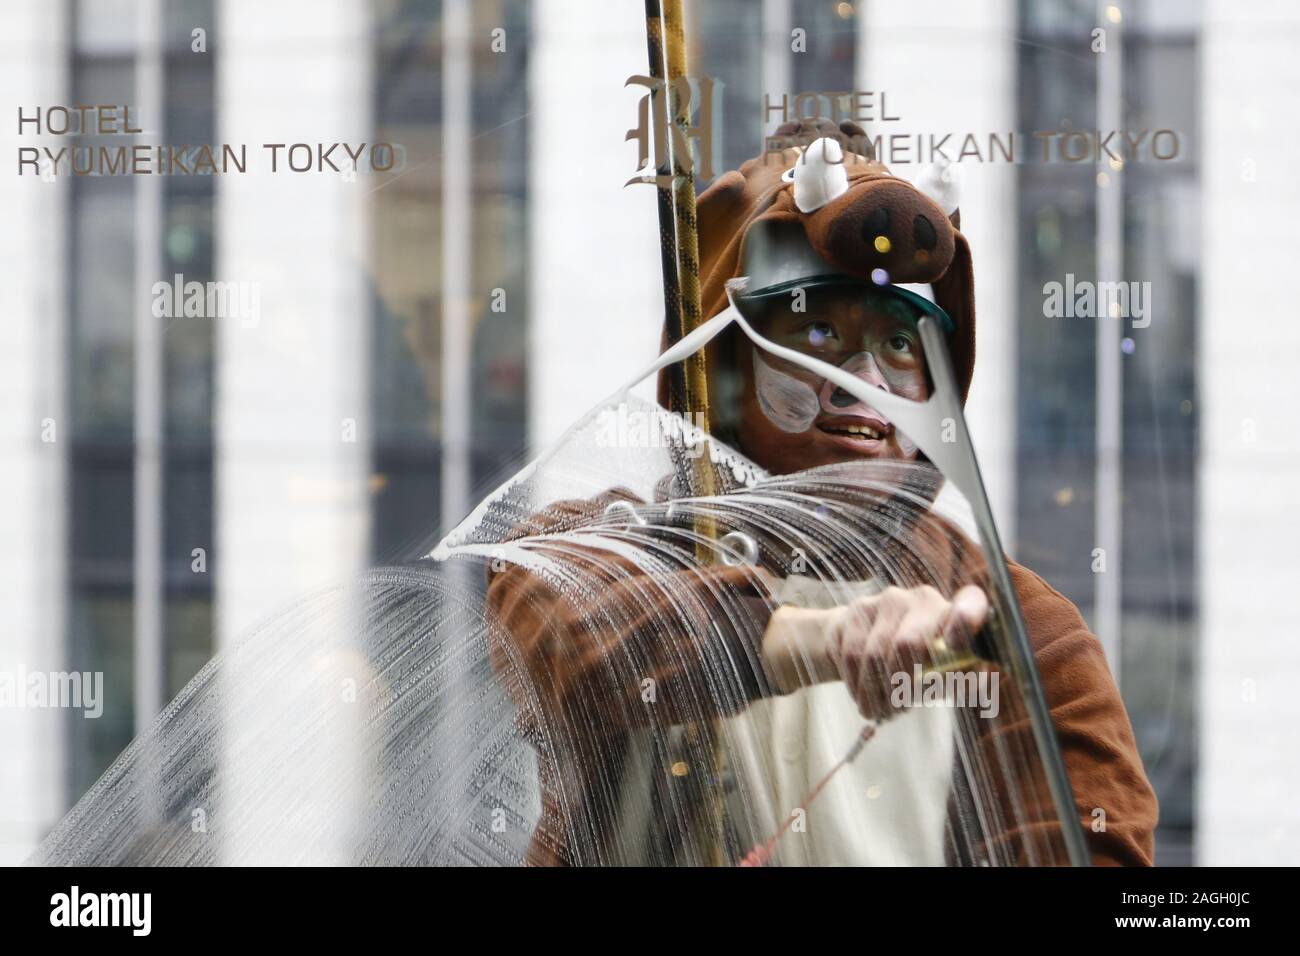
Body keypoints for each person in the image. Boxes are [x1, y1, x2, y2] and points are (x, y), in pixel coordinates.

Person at [485, 120, 1158, 867]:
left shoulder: (1021, 628)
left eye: (899, 343)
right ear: (721, 363)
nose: (864, 384)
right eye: (817, 333)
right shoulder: (604, 550)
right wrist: (818, 641)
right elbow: (568, 630)